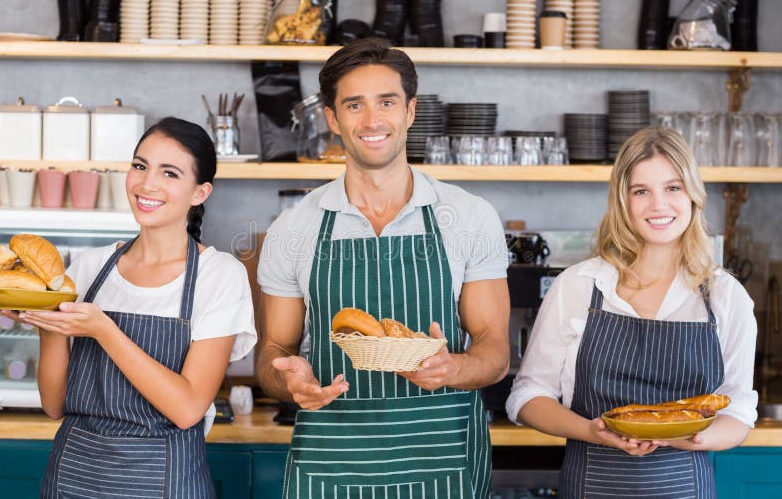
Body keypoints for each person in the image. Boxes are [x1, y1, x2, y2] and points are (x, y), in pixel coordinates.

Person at [257, 37, 510, 498]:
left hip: (442, 463)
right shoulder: (294, 228)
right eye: (354, 105)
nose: (372, 121)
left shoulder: (470, 217)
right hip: (331, 466)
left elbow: (495, 351)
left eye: (387, 102)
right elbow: (273, 350)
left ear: (410, 111)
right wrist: (288, 380)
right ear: (332, 118)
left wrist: (452, 368)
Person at [0, 117, 256, 497]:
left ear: (200, 192)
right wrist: (46, 325)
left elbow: (187, 408)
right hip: (72, 478)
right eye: (140, 166)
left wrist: (103, 330)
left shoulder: (219, 275)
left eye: (170, 174)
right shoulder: (89, 267)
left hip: (164, 482)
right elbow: (53, 404)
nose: (147, 184)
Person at [507, 126, 758, 497]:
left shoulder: (724, 296)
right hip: (591, 485)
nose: (659, 205)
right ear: (622, 201)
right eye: (642, 191)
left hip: (684, 488)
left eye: (672, 188)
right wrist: (592, 431)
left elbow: (737, 412)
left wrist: (693, 438)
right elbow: (527, 397)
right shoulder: (579, 285)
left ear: (692, 194)